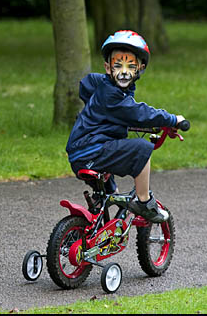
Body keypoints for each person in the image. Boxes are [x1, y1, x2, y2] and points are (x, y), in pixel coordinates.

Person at [66, 30, 185, 223]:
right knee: (143, 148)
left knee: (110, 190)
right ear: (107, 67)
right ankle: (144, 202)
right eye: (117, 65)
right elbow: (139, 113)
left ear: (140, 68)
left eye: (130, 66)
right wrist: (171, 120)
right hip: (94, 150)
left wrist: (104, 115)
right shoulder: (113, 96)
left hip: (80, 153)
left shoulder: (102, 87)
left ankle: (94, 226)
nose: (123, 71)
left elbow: (86, 84)